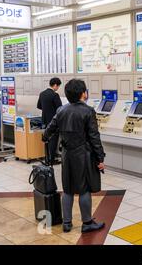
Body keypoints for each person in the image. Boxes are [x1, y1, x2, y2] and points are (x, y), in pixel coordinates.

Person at [43, 79, 106, 233]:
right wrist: (100, 158)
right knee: (84, 189)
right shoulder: (88, 111)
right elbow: (94, 138)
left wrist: (45, 137)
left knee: (68, 189)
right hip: (83, 155)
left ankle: (67, 223)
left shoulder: (61, 111)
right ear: (83, 93)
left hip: (66, 155)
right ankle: (87, 223)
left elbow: (48, 132)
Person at [37, 77, 62, 164]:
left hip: (44, 120)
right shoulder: (55, 95)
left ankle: (47, 158)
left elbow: (39, 106)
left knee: (46, 139)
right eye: (58, 86)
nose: (58, 88)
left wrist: (46, 109)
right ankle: (52, 160)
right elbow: (60, 109)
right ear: (55, 85)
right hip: (53, 121)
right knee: (53, 140)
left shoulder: (42, 93)